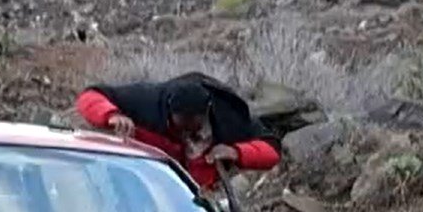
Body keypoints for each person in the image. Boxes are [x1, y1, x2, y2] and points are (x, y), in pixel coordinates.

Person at [75, 72, 281, 191]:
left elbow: (271, 149)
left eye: (195, 126)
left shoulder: (230, 116)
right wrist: (111, 115)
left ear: (207, 113)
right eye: (182, 125)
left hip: (203, 193)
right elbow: (90, 95)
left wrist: (236, 152)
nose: (188, 133)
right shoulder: (147, 100)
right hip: (142, 182)